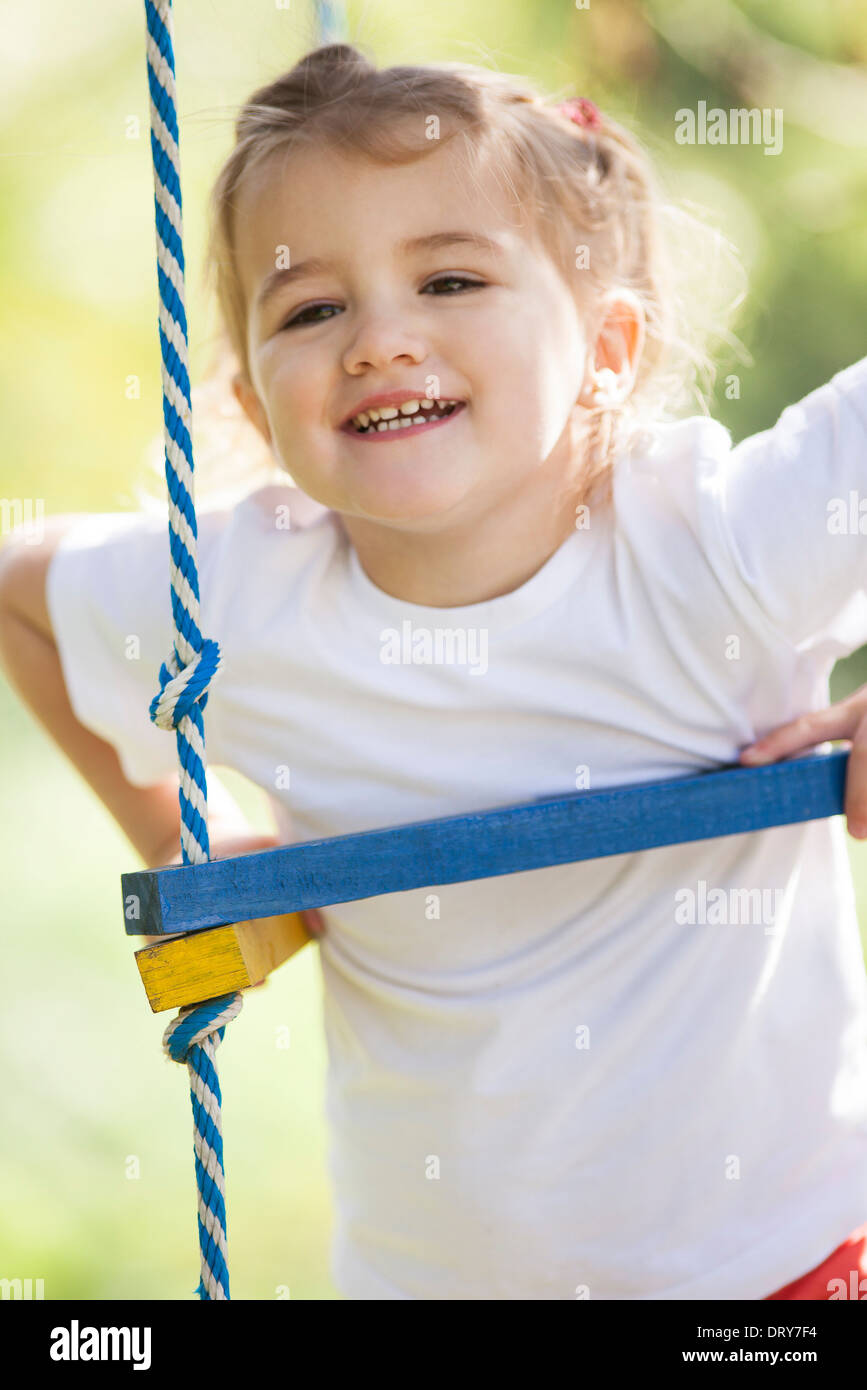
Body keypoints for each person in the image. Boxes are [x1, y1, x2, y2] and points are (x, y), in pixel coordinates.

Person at [1, 42, 866, 1301]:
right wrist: (182, 842)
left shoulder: (715, 552)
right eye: (310, 308)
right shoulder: (240, 602)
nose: (378, 340)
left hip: (777, 1274)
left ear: (608, 347)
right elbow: (22, 593)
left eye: (451, 277)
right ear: (251, 406)